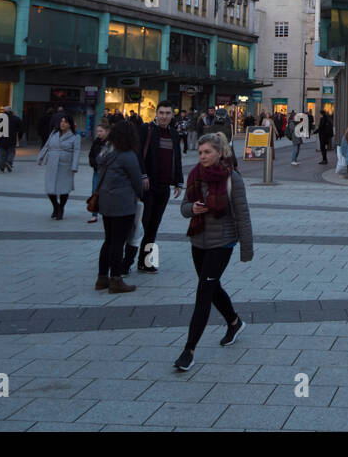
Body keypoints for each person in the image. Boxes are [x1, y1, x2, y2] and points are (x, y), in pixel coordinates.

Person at [173, 132, 254, 371]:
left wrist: (246, 249)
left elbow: (243, 215)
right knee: (212, 285)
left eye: (208, 152)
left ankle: (189, 350)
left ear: (219, 153)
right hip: (198, 240)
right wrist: (192, 209)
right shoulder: (195, 175)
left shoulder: (232, 179)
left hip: (223, 242)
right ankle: (234, 322)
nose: (203, 156)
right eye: (200, 153)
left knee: (203, 293)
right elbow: (184, 207)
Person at [94, 119, 143, 294]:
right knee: (118, 242)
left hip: (106, 202)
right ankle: (116, 279)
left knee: (108, 240)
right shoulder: (127, 155)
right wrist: (141, 193)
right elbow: (137, 181)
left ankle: (102, 277)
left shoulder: (106, 152)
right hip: (123, 204)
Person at [137, 103, 184, 273]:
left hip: (164, 186)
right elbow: (138, 154)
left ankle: (147, 262)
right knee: (141, 225)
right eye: (161, 113)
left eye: (168, 113)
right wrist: (143, 175)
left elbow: (177, 158)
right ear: (156, 114)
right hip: (147, 186)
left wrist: (178, 181)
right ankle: (127, 261)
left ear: (172, 115)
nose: (164, 116)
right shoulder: (146, 129)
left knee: (154, 226)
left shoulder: (173, 133)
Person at [38, 113, 80, 219]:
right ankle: (56, 207)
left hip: (66, 165)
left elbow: (76, 152)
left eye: (65, 122)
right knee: (50, 188)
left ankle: (61, 208)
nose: (63, 124)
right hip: (52, 163)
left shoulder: (75, 137)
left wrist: (74, 166)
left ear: (70, 124)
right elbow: (47, 145)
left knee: (63, 189)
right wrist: (41, 157)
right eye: (61, 121)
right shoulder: (54, 133)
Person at [88, 122, 108, 223]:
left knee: (106, 193)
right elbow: (91, 155)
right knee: (94, 192)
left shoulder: (110, 143)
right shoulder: (96, 142)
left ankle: (107, 213)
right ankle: (94, 214)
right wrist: (93, 163)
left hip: (107, 173)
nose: (98, 133)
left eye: (101, 131)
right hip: (97, 171)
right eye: (97, 131)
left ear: (107, 131)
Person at [0, 105, 20, 173]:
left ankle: (2, 167)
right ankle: (9, 162)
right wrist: (19, 137)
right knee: (11, 151)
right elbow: (20, 129)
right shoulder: (16, 118)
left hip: (1, 138)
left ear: (3, 111)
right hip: (11, 138)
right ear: (11, 111)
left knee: (1, 153)